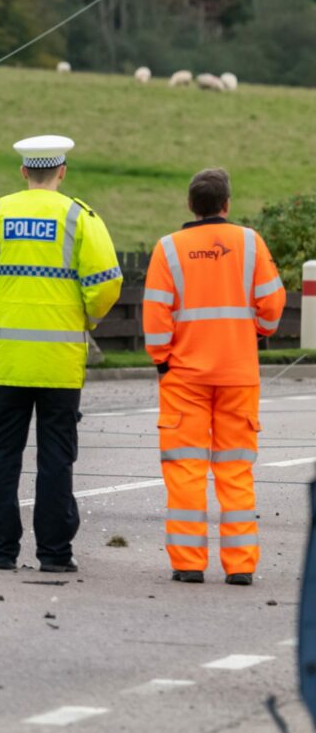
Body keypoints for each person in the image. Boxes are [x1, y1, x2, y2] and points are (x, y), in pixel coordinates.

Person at [0, 135, 123, 572]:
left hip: (10, 361)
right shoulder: (79, 217)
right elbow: (107, 283)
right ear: (62, 172)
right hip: (60, 364)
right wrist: (85, 319)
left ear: (24, 172)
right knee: (56, 460)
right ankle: (54, 553)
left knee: (2, 458)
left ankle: (1, 551)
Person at [143, 168, 285, 586]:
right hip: (238, 373)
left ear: (191, 205)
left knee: (185, 469)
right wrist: (255, 333)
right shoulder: (250, 242)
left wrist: (162, 360)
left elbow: (156, 314)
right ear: (226, 204)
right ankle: (240, 565)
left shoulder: (168, 248)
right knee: (235, 469)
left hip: (184, 377)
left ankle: (189, 562)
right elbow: (272, 305)